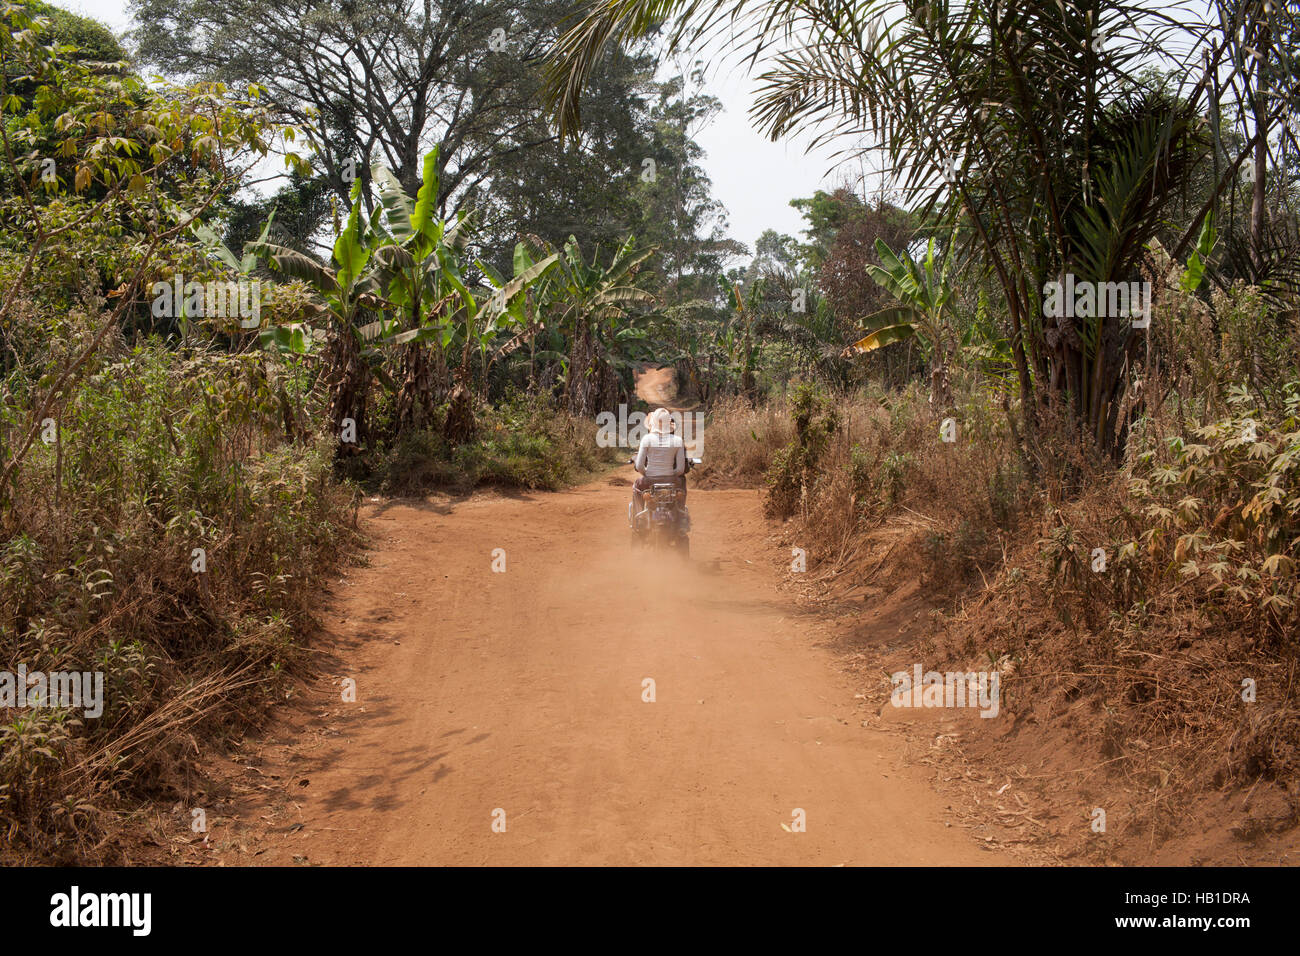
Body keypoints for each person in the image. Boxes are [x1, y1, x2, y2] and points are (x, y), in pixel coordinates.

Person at [631, 407, 686, 526]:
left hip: (649, 481)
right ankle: (681, 517)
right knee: (681, 487)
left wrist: (647, 473)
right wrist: (670, 474)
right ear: (669, 423)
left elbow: (639, 465)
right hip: (671, 481)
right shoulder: (678, 440)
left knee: (637, 486)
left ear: (653, 422)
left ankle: (639, 518)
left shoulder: (647, 439)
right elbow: (681, 469)